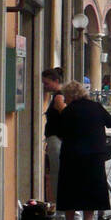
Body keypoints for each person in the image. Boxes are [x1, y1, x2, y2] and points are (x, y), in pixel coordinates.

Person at [53, 81, 111, 220]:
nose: (65, 99)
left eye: (66, 96)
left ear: (70, 96)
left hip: (72, 157)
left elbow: (60, 133)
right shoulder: (96, 107)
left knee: (70, 192)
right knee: (90, 192)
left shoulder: (68, 111)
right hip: (94, 156)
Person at [41, 68, 65, 211]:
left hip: (57, 140)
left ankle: (59, 210)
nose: (45, 86)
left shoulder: (58, 97)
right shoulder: (58, 95)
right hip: (56, 139)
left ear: (56, 81)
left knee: (57, 175)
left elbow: (67, 115)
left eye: (46, 83)